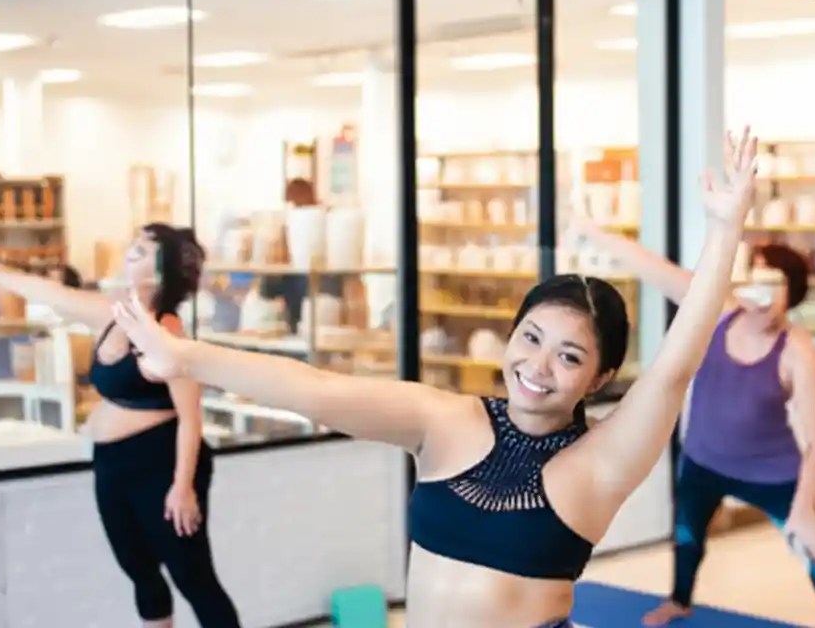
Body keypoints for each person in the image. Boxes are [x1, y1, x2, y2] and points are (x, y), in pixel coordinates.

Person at [105, 130, 760, 627]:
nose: (536, 367)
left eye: (567, 356)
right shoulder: (447, 421)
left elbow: (675, 370)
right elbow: (317, 389)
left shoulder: (599, 465)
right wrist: (187, 359)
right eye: (530, 339)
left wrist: (725, 230)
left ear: (600, 377)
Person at [571, 221, 815, 627]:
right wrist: (592, 232)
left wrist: (804, 507)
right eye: (757, 280)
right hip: (704, 460)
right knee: (687, 536)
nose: (761, 294)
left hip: (770, 472)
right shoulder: (719, 312)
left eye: (773, 285)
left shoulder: (797, 352)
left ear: (790, 295)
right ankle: (680, 600)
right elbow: (652, 267)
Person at [0, 226, 241, 628]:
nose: (128, 254)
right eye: (132, 246)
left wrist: (182, 486)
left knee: (194, 580)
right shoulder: (113, 313)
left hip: (159, 464)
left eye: (140, 251)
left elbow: (191, 418)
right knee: (140, 573)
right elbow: (50, 294)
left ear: (159, 273)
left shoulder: (168, 332)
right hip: (112, 464)